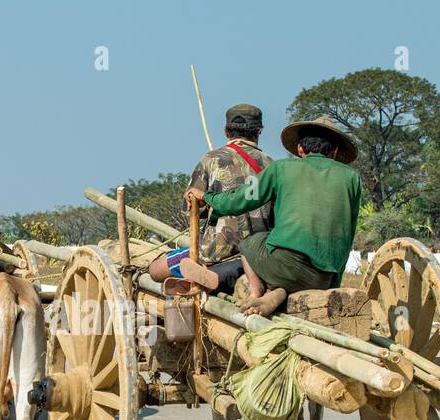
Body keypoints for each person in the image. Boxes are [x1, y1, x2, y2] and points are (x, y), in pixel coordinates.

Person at [187, 117, 361, 317]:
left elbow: (237, 202)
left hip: (281, 268)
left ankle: (256, 292)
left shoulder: (281, 168)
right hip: (322, 279)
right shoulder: (351, 178)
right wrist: (333, 284)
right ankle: (279, 292)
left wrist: (207, 196)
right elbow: (348, 235)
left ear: (300, 150)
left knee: (249, 243)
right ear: (334, 152)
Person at [148, 103, 274, 292]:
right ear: (258, 131)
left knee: (155, 270)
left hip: (215, 251)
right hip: (260, 251)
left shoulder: (212, 159)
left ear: (226, 131)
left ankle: (196, 274)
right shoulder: (271, 165)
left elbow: (191, 208)